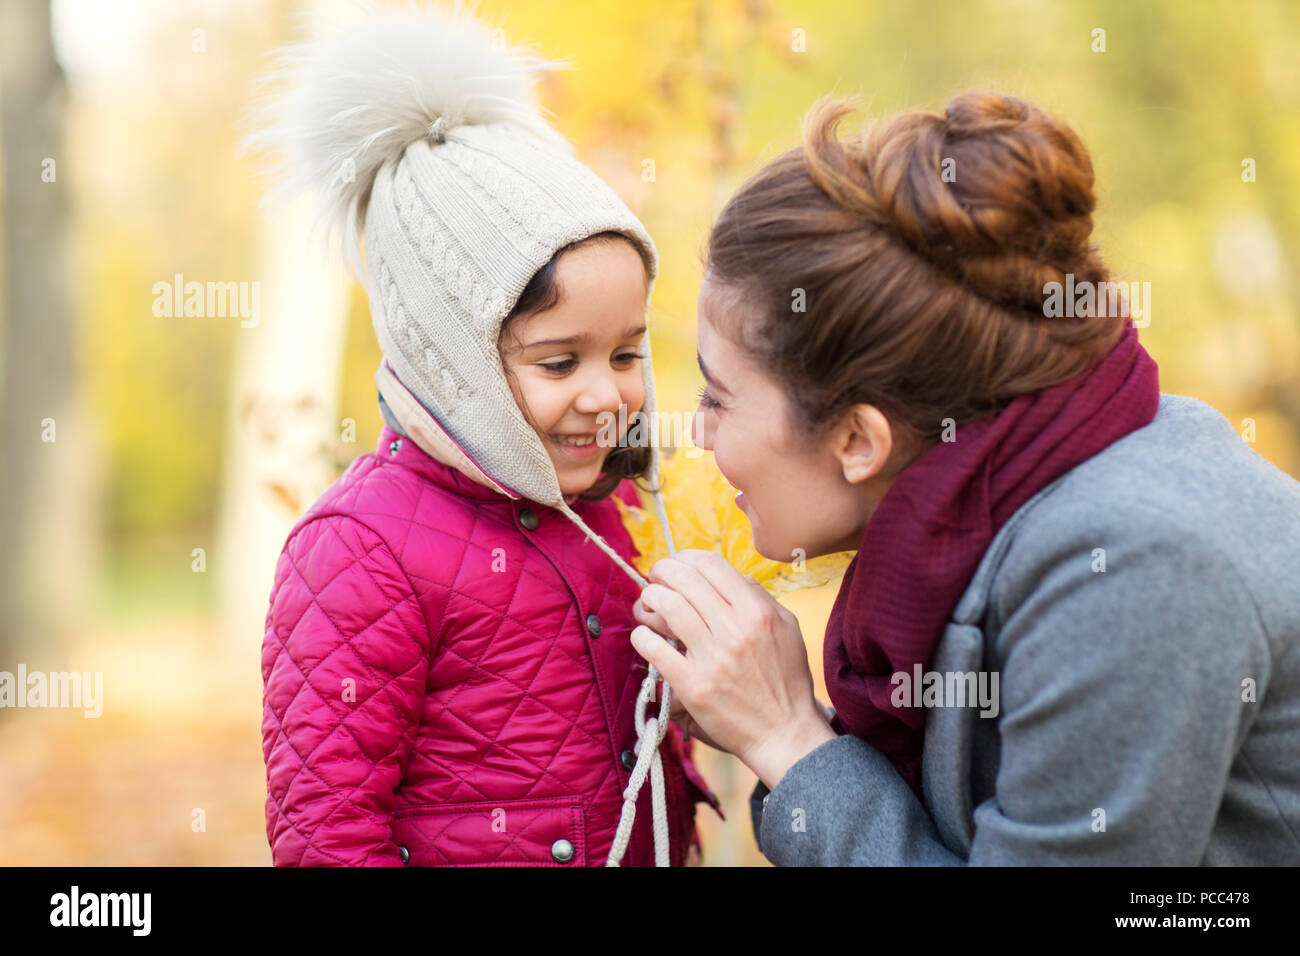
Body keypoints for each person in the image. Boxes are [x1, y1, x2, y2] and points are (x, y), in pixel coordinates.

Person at [630, 90, 1300, 865]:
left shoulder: (1130, 567)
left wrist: (786, 736)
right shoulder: (1006, 495)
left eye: (718, 397)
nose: (697, 432)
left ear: (857, 439)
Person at [245, 3, 719, 867]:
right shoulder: (360, 551)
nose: (606, 395)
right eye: (557, 362)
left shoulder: (604, 511)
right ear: (451, 359)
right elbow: (328, 834)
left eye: (625, 352)